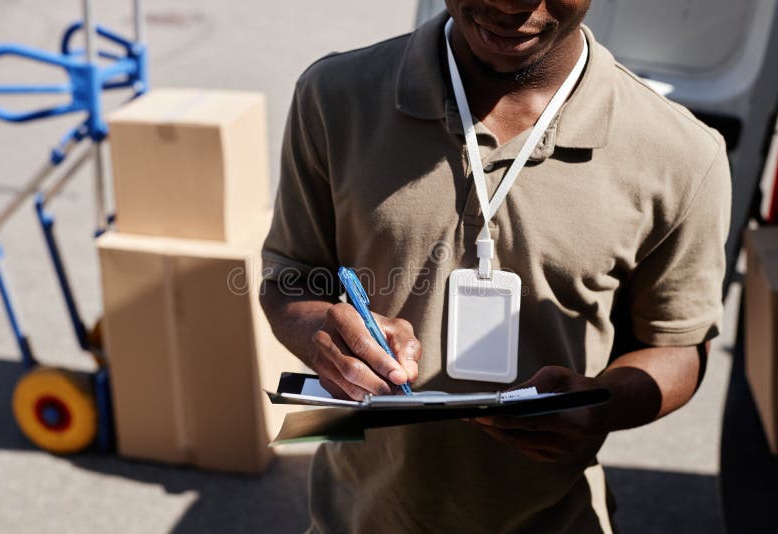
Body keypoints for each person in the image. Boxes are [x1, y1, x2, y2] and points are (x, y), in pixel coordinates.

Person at [260, 0, 731, 532]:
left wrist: (602, 405)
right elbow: (289, 279)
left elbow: (677, 346)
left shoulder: (682, 153)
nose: (508, 5)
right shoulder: (334, 97)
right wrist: (322, 331)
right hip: (355, 518)